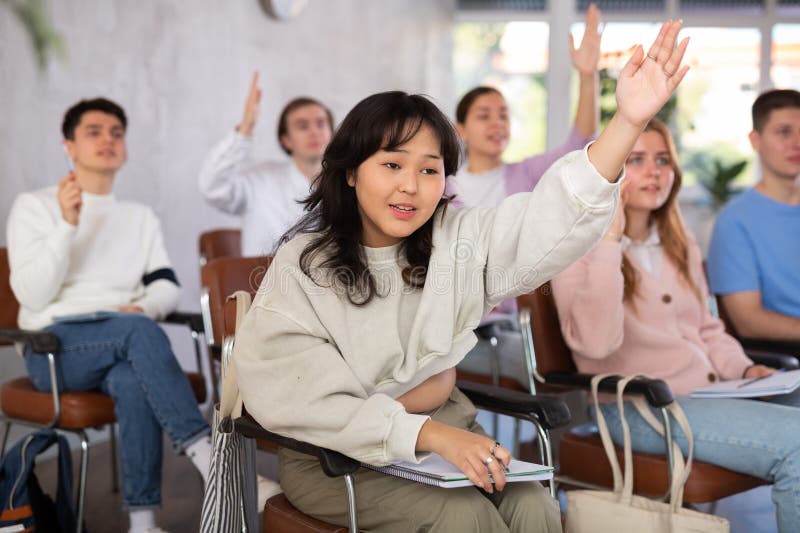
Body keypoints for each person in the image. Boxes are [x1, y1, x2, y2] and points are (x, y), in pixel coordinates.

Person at [233, 20, 688, 532]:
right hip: (336, 460)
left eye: (430, 170)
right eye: (392, 164)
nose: (411, 186)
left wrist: (626, 123)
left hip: (450, 432)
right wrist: (426, 425)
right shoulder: (304, 265)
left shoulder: (454, 240)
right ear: (352, 170)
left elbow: (547, 220)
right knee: (464, 517)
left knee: (534, 505)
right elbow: (296, 399)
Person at [551, 118, 800, 532]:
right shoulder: (578, 248)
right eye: (637, 160)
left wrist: (745, 369)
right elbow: (594, 344)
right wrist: (610, 241)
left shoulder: (678, 241)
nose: (654, 171)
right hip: (638, 409)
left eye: (663, 160)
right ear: (610, 170)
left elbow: (708, 329)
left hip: (706, 393)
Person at [6, 98, 211, 533]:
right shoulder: (36, 205)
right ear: (69, 146)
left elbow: (166, 283)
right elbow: (32, 293)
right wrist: (66, 224)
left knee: (132, 378)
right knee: (136, 333)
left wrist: (145, 306)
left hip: (123, 340)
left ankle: (142, 522)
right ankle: (210, 459)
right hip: (54, 349)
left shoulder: (138, 217)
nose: (108, 140)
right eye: (94, 131)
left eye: (116, 132)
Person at [452, 3, 602, 387]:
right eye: (484, 115)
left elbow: (581, 144)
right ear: (461, 129)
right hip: (464, 326)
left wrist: (587, 76)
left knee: (560, 367)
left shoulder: (527, 173)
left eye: (503, 114)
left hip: (520, 322)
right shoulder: (442, 187)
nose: (497, 123)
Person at [198, 71, 335, 256]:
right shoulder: (259, 180)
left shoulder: (347, 183)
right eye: (303, 126)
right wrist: (245, 128)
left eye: (321, 124)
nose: (314, 132)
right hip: (264, 281)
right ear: (286, 140)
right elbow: (212, 187)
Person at [707, 88, 800, 343]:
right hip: (785, 362)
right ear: (755, 141)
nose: (797, 143)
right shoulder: (734, 221)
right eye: (784, 132)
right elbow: (748, 321)